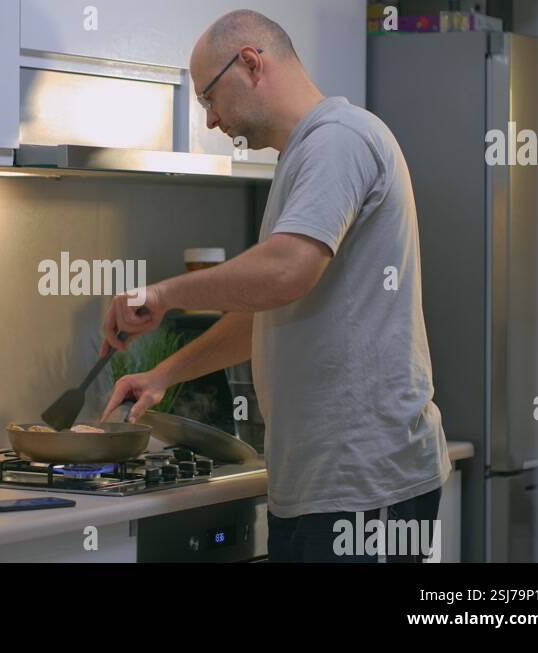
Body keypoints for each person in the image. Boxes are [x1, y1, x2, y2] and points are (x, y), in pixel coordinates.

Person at [99, 10, 450, 563]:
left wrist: (165, 296)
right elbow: (269, 307)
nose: (211, 120)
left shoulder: (338, 141)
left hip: (363, 485)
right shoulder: (305, 156)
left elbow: (287, 271)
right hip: (321, 486)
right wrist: (162, 376)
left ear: (250, 63)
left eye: (210, 98)